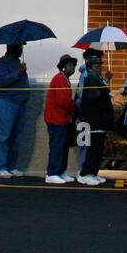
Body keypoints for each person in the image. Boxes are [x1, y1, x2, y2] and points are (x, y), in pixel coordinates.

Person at [0, 43, 30, 178]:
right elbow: (1, 82)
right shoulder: (3, 62)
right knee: (4, 136)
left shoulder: (17, 63)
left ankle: (11, 166)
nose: (22, 49)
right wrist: (18, 72)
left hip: (20, 103)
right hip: (6, 102)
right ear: (12, 48)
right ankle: (0, 167)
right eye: (20, 47)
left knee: (16, 137)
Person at [76, 49, 113, 185]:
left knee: (97, 149)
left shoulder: (97, 78)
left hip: (99, 120)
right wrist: (104, 92)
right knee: (92, 148)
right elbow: (93, 97)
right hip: (93, 120)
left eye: (100, 64)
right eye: (97, 65)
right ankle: (86, 173)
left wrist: (106, 82)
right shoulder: (90, 78)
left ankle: (92, 172)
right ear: (90, 66)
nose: (100, 67)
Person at [45, 54, 79, 184]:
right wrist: (75, 106)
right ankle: (52, 173)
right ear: (63, 67)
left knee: (63, 146)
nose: (73, 68)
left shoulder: (64, 79)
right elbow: (63, 101)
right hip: (56, 119)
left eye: (74, 65)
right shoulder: (59, 79)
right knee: (57, 146)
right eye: (70, 65)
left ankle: (61, 171)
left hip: (62, 118)